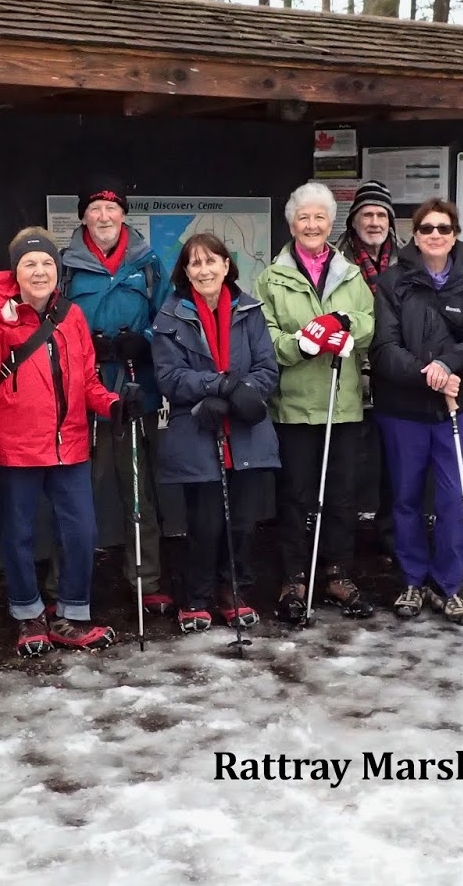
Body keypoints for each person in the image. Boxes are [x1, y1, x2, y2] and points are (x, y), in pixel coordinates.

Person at [0, 230, 134, 654]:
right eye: (30, 264)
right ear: (15, 271)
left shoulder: (71, 315)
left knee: (81, 531)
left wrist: (111, 404)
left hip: (70, 445)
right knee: (19, 534)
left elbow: (87, 380)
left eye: (46, 264)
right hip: (15, 449)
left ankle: (72, 615)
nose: (39, 272)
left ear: (57, 271)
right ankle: (28, 616)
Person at [254, 181, 378, 622]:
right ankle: (293, 577)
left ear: (331, 223)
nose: (312, 224)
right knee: (296, 495)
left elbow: (370, 323)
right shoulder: (271, 277)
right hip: (293, 406)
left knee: (341, 495)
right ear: (292, 223)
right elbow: (264, 336)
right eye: (304, 217)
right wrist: (300, 345)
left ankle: (338, 573)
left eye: (319, 217)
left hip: (341, 404)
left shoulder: (350, 273)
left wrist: (346, 325)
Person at [369, 199, 463, 624]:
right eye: (426, 228)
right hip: (403, 409)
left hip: (456, 411)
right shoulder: (392, 282)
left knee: (454, 499)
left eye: (444, 228)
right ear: (415, 234)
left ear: (455, 233)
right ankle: (412, 579)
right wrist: (430, 374)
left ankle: (448, 586)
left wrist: (450, 364)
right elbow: (384, 348)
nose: (435, 235)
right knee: (405, 499)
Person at [57, 177, 173, 616]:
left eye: (112, 208)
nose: (104, 217)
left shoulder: (147, 262)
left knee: (138, 487)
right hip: (80, 391)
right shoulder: (65, 264)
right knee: (76, 493)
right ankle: (67, 584)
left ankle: (146, 579)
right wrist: (85, 344)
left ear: (123, 214)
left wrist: (142, 341)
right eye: (95, 209)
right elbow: (50, 319)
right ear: (83, 215)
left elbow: (165, 315)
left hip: (131, 386)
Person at [152, 233, 276, 631]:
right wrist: (218, 386)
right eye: (195, 263)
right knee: (205, 523)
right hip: (198, 429)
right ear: (185, 272)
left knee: (241, 522)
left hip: (245, 431)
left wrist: (240, 393)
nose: (204, 270)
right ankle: (197, 596)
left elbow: (267, 368)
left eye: (212, 261)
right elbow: (169, 377)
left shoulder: (250, 310)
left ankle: (232, 589)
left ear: (227, 266)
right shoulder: (170, 317)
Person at [335, 179, 400, 561]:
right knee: (348, 463)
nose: (374, 222)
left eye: (380, 215)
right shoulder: (335, 259)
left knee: (395, 462)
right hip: (348, 372)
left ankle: (390, 536)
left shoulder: (407, 258)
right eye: (367, 214)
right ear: (354, 220)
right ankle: (342, 547)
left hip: (395, 373)